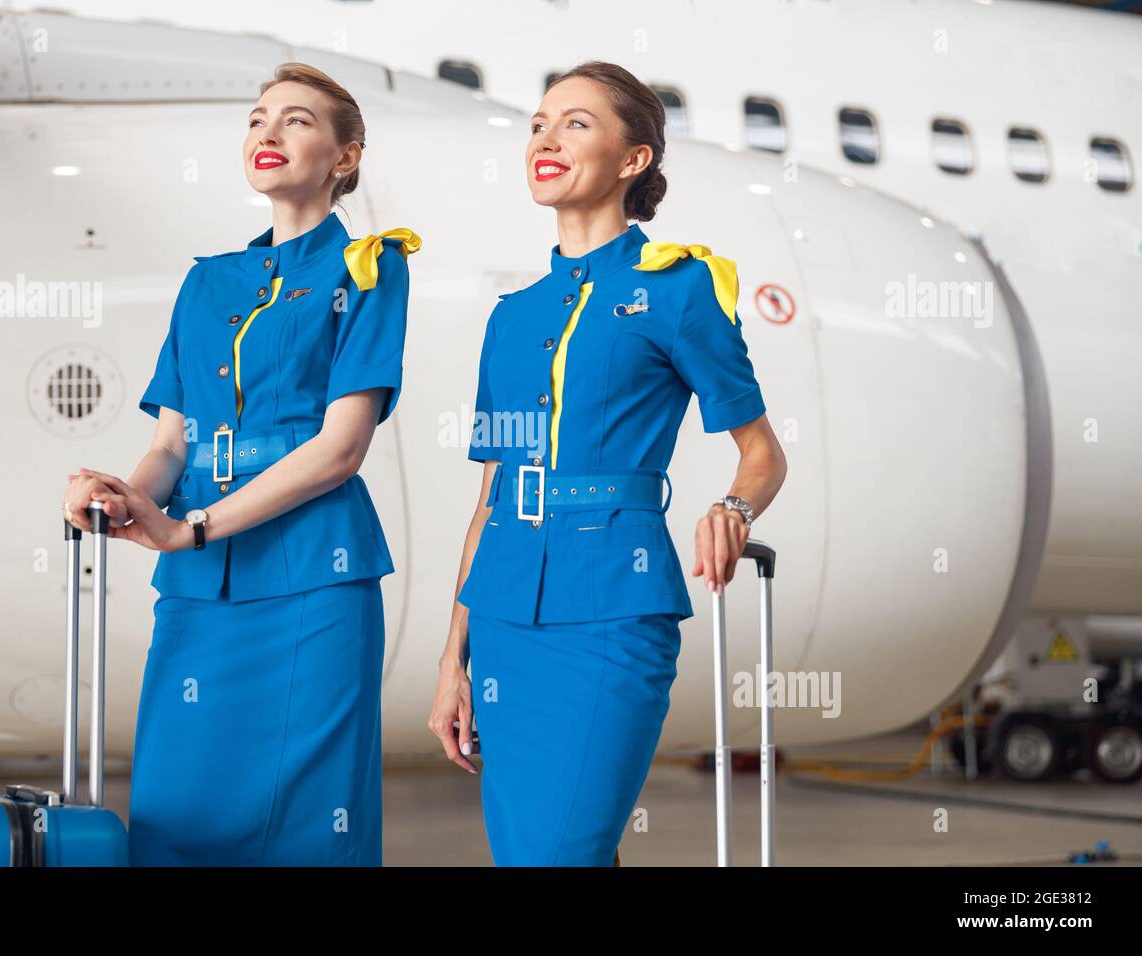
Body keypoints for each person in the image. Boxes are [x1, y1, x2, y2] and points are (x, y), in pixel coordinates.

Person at [428, 61, 787, 866]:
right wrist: (453, 659)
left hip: (614, 610)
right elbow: (490, 497)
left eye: (576, 124)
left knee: (559, 851)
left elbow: (761, 452)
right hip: (504, 615)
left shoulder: (681, 289)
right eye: (538, 125)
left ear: (635, 160)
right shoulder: (511, 319)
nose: (546, 140)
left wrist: (733, 508)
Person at [62, 62, 420, 865]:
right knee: (173, 816)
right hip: (198, 587)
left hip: (313, 580)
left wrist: (189, 527)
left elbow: (341, 449)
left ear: (344, 158)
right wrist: (122, 496)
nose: (268, 131)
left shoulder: (369, 269)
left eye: (296, 121)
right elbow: (171, 447)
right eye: (258, 118)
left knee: (309, 825)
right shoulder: (206, 283)